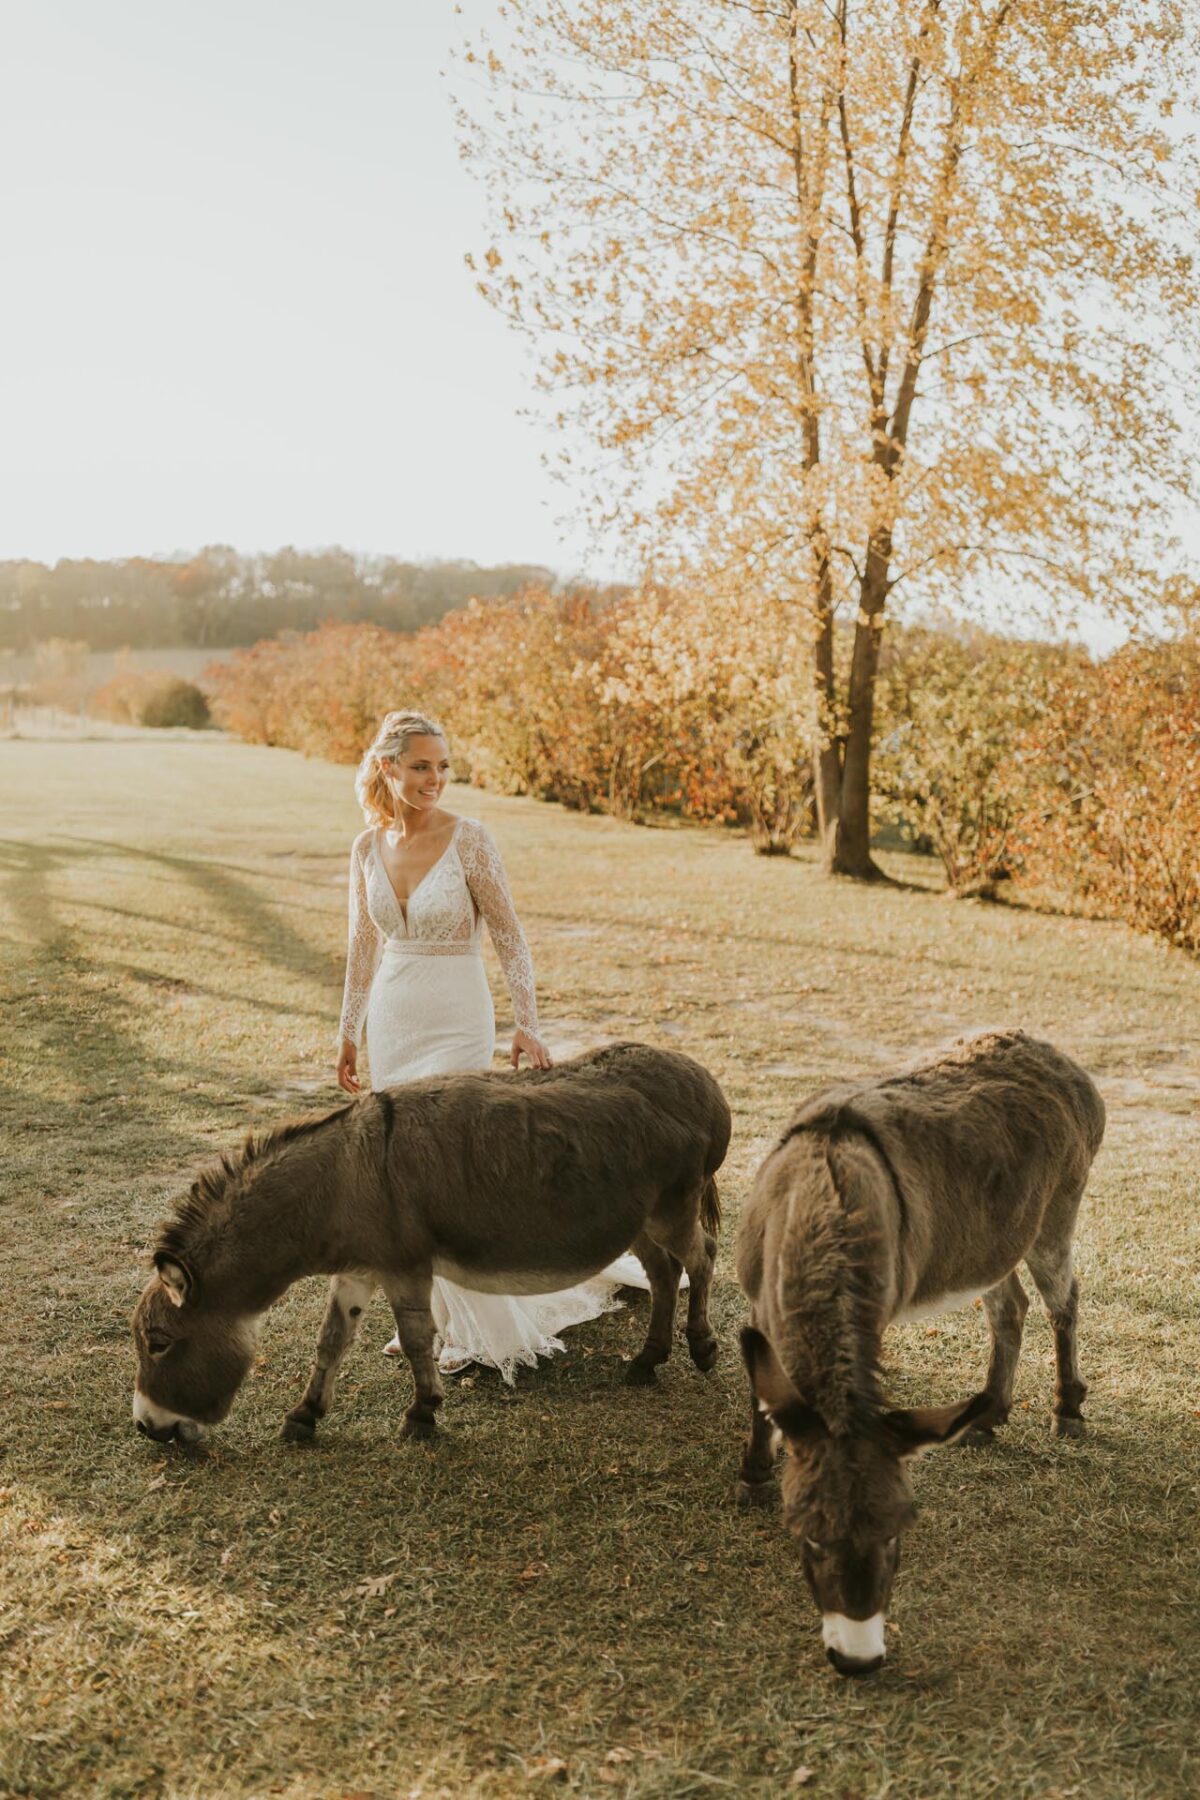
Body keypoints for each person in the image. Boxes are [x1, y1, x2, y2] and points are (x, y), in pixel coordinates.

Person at [336, 708, 644, 1379]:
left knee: (452, 1166)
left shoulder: (470, 839)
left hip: (456, 1014)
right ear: (389, 767)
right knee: (400, 1171)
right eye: (421, 766)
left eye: (442, 767)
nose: (435, 779)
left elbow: (509, 936)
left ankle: (476, 1324)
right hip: (395, 1014)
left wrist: (527, 1022)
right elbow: (362, 948)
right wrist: (348, 1032)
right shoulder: (365, 848)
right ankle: (427, 1317)